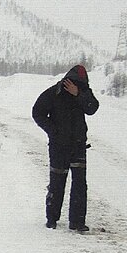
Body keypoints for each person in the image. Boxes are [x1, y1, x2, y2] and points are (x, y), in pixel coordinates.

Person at [32, 64, 99, 232]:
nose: (77, 85)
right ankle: (52, 218)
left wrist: (79, 94)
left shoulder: (83, 92)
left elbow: (92, 108)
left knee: (79, 185)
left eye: (81, 84)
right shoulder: (55, 92)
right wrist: (53, 131)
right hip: (58, 146)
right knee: (57, 182)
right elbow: (37, 112)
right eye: (75, 83)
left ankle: (77, 222)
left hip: (78, 145)